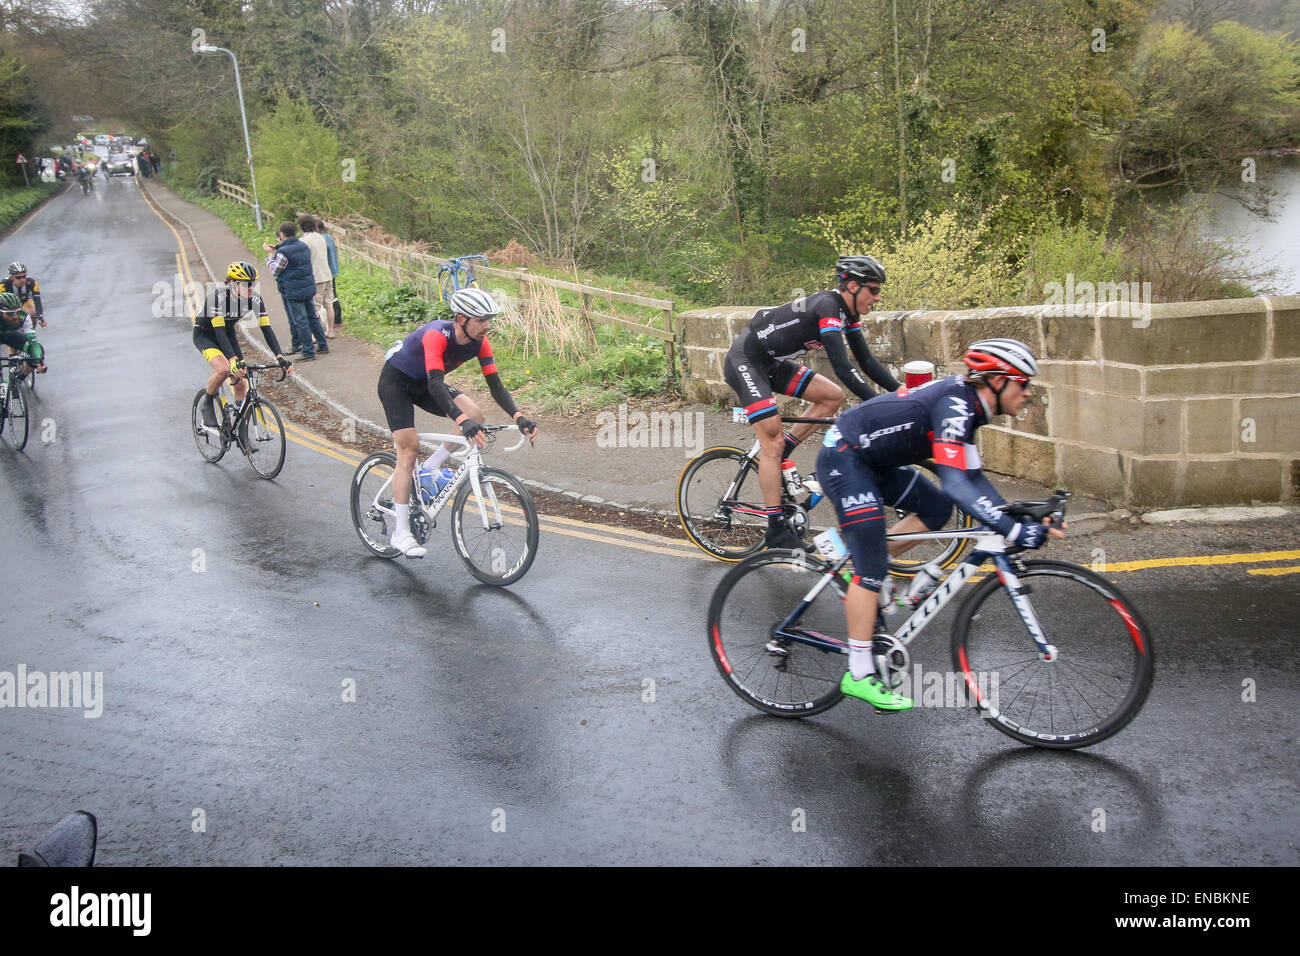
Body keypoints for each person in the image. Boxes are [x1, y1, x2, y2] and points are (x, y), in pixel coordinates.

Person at [815, 338, 1065, 711]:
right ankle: (859, 673)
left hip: (875, 461)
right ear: (997, 381)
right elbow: (956, 482)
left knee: (936, 511)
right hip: (845, 458)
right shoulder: (955, 406)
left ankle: (855, 560)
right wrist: (1012, 530)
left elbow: (974, 479)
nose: (1028, 393)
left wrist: (1015, 513)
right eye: (1023, 383)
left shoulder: (971, 407)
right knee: (872, 571)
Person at [724, 255, 901, 550]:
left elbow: (867, 362)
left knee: (832, 397)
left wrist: (900, 393)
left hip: (772, 363)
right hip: (746, 360)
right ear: (853, 286)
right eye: (874, 289)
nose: (878, 297)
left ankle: (784, 453)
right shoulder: (828, 307)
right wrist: (878, 404)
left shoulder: (848, 314)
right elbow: (844, 368)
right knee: (772, 441)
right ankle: (776, 529)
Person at [378, 288, 538, 557]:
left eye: (489, 319)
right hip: (397, 383)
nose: (487, 325)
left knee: (476, 415)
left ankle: (431, 466)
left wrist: (518, 416)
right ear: (462, 318)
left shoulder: (481, 342)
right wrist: (460, 420)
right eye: (481, 320)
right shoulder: (436, 335)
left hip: (427, 384)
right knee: (408, 450)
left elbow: (496, 386)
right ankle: (400, 533)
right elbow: (436, 384)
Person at [192, 261, 292, 429]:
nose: (251, 287)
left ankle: (240, 429)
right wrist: (232, 359)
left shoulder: (255, 299)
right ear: (233, 283)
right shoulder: (217, 299)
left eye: (253, 283)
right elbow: (219, 333)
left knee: (241, 382)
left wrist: (280, 357)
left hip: (228, 332)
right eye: (247, 284)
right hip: (206, 334)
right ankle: (207, 403)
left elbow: (266, 329)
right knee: (225, 369)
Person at [263, 221, 329, 360]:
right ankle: (323, 345)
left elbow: (275, 270)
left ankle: (308, 351)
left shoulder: (283, 252)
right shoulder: (303, 246)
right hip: (308, 286)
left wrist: (270, 256)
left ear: (281, 234)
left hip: (293, 290)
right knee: (312, 317)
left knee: (301, 320)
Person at [297, 215, 335, 339]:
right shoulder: (321, 238)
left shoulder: (303, 241)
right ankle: (331, 331)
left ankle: (314, 335)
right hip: (327, 274)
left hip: (315, 277)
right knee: (329, 304)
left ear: (301, 226)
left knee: (315, 307)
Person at [0, 292, 47, 376]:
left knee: (36, 350)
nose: (15, 316)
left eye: (17, 312)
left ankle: (18, 379)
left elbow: (33, 343)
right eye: (10, 313)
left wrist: (39, 362)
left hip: (9, 336)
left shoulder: (24, 317)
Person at [1, 263, 44, 328]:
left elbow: (37, 301)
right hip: (9, 306)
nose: (22, 280)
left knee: (32, 311)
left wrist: (40, 317)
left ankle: (30, 332)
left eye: (24, 276)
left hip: (24, 302)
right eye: (18, 277)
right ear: (12, 277)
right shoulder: (4, 284)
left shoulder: (31, 282)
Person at [316, 217, 341, 331]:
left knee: (330, 298)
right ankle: (337, 320)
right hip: (333, 269)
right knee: (333, 296)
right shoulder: (329, 237)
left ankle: (336, 321)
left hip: (327, 271)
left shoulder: (322, 239)